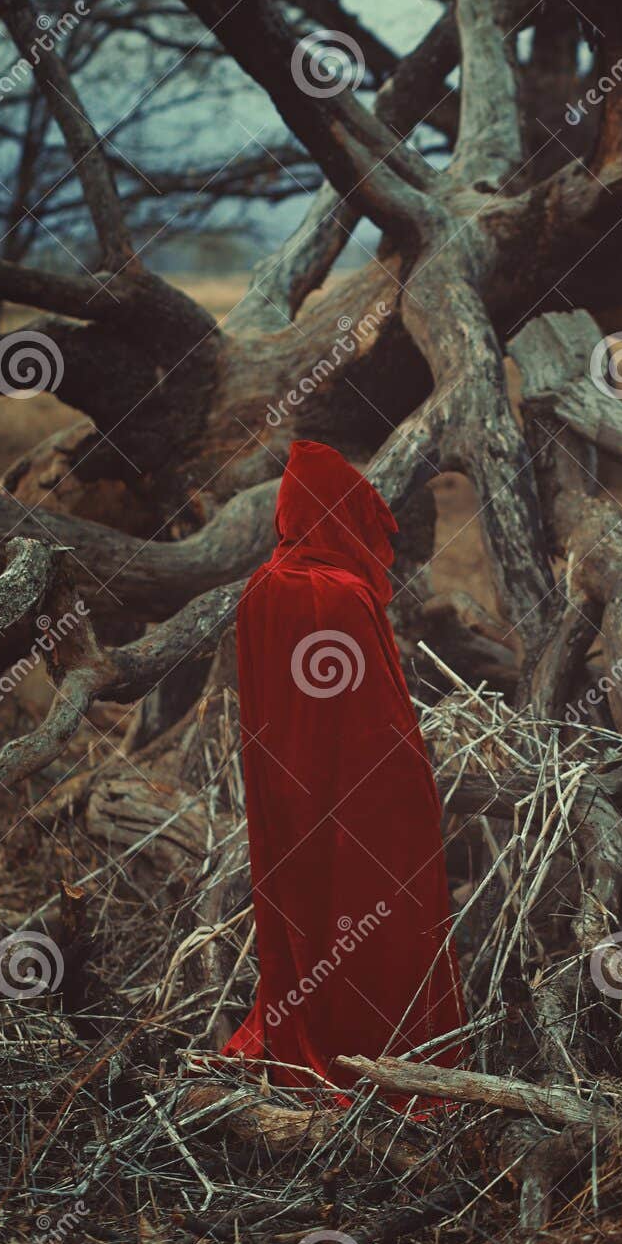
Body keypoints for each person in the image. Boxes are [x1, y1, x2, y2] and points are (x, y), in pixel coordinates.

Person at [223, 439, 466, 1094]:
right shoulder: (341, 597)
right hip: (370, 802)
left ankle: (317, 1043)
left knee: (308, 913)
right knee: (382, 917)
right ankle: (389, 1057)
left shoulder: (259, 590)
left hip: (285, 798)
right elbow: (382, 724)